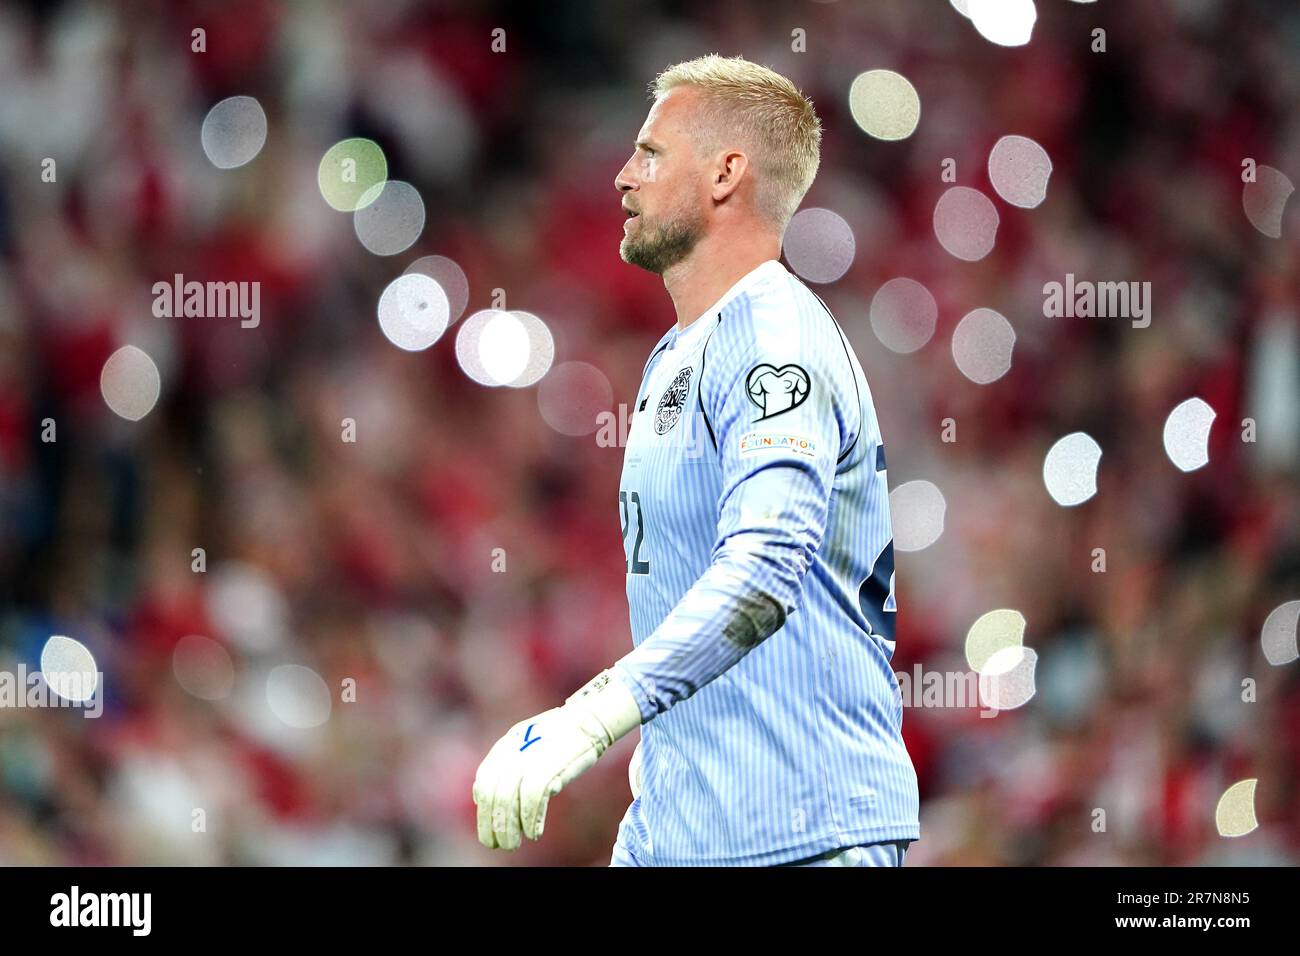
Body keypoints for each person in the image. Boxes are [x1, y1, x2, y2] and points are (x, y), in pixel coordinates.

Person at [472, 53, 919, 867]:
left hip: (803, 831)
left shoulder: (773, 338)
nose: (621, 176)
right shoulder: (679, 353)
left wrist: (589, 716)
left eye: (649, 153)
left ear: (725, 174)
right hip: (686, 832)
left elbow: (765, 565)